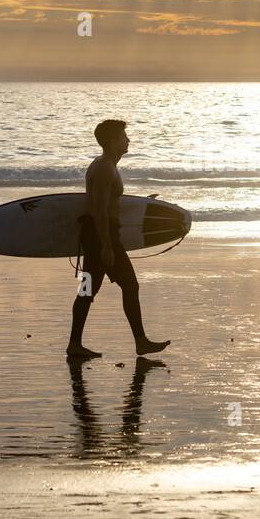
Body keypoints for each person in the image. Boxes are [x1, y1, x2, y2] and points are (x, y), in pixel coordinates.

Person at [66, 119, 170, 360]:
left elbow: (108, 204)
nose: (128, 140)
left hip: (97, 236)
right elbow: (99, 210)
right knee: (127, 286)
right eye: (124, 137)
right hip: (102, 237)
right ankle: (140, 342)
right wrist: (106, 246)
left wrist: (142, 204)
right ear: (113, 141)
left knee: (87, 290)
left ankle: (75, 344)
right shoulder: (104, 168)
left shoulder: (104, 165)